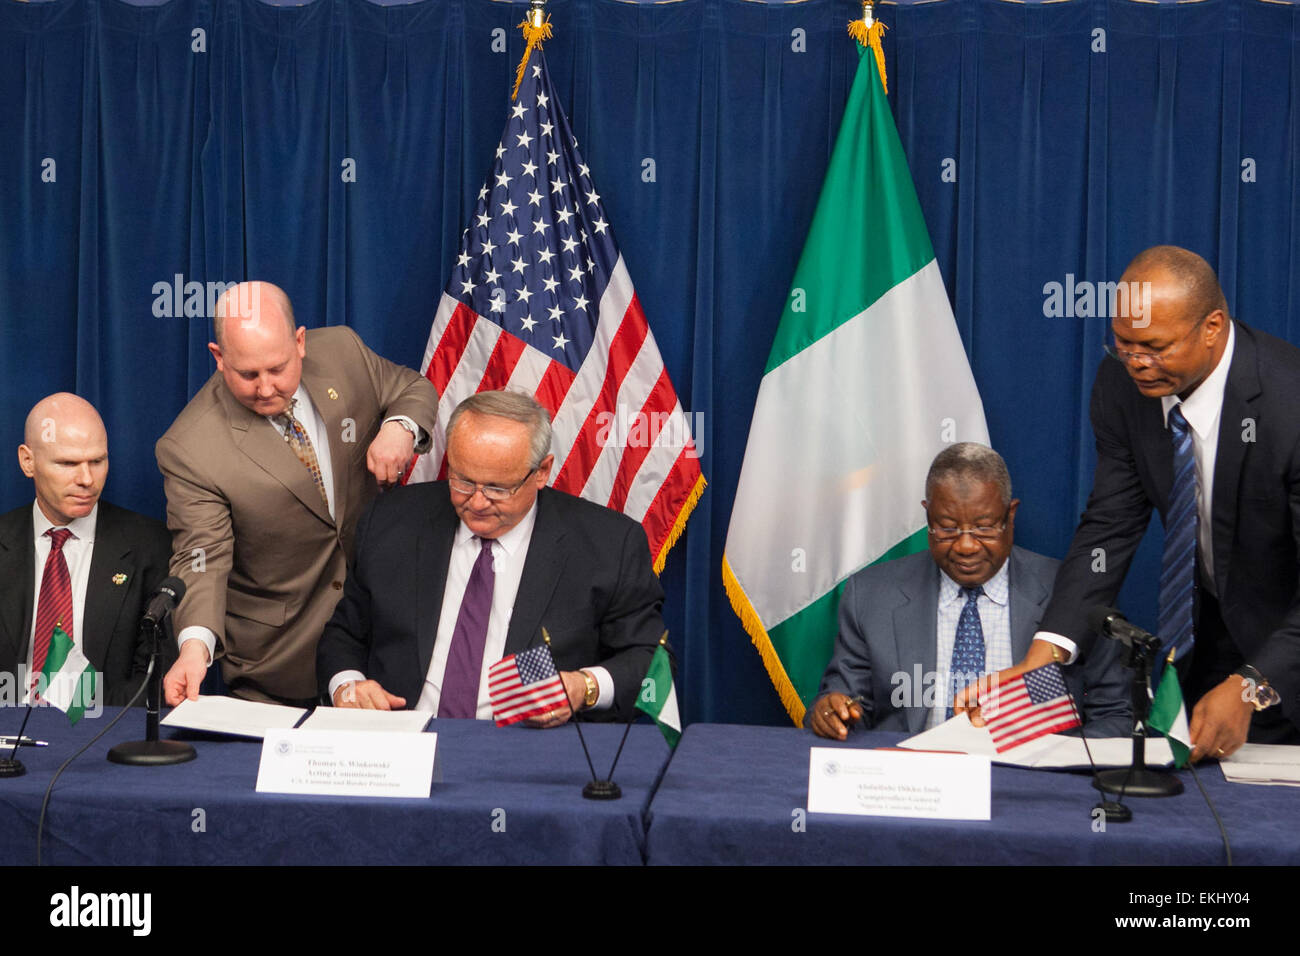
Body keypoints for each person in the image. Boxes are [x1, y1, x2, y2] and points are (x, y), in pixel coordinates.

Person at [959, 245, 1300, 759]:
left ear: (1212, 326)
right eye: (1123, 343)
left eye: (1156, 347)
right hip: (1204, 647)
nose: (1137, 364)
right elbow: (1110, 527)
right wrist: (1046, 653)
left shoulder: (1289, 403)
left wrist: (1254, 684)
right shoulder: (1120, 387)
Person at [156, 282, 438, 706]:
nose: (266, 388)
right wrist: (194, 646)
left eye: (277, 368)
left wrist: (399, 427)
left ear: (300, 342)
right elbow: (202, 556)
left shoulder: (344, 351)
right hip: (280, 662)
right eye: (248, 374)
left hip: (383, 639)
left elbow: (412, 388)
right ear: (218, 358)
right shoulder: (190, 448)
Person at [317, 390, 669, 725]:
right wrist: (348, 687)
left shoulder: (607, 544)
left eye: (498, 488)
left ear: (542, 472)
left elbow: (653, 661)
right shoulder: (394, 520)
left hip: (529, 747)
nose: (477, 501)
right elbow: (346, 633)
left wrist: (585, 687)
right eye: (462, 481)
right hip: (404, 738)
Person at [808, 443, 1130, 741]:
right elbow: (846, 699)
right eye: (947, 527)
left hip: (1029, 780)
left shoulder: (1074, 594)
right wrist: (832, 710)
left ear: (1010, 516)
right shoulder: (870, 595)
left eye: (984, 527)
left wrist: (1056, 765)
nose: (965, 545)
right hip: (910, 782)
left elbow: (1116, 716)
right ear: (927, 516)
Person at [0, 393, 173, 706]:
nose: (87, 479)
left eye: (97, 461)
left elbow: (155, 678)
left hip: (102, 732)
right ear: (28, 461)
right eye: (67, 463)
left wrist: (84, 713)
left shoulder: (152, 547)